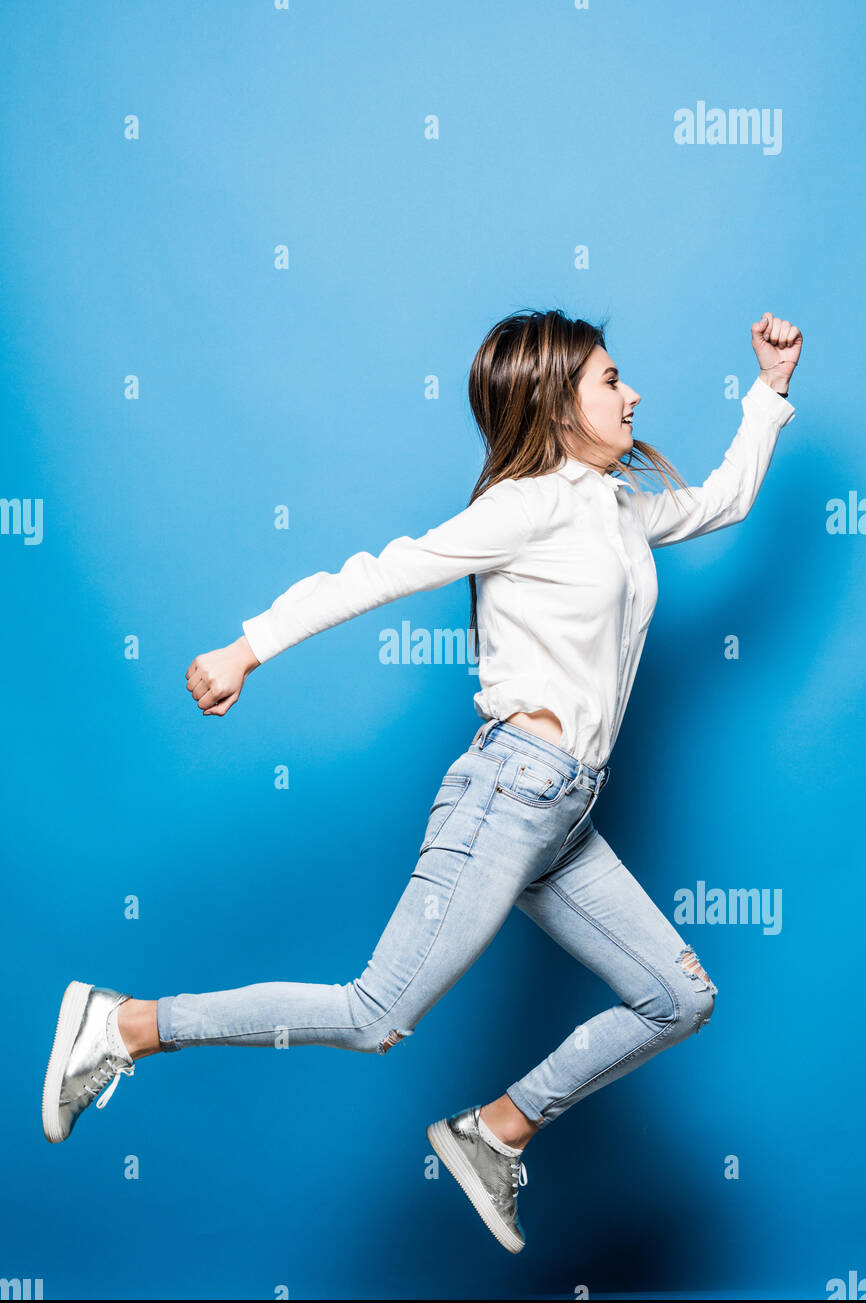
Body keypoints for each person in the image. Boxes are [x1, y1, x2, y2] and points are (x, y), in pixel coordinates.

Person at [42, 309, 801, 1255]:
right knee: (373, 1016)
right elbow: (382, 574)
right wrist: (248, 647)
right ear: (557, 401)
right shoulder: (525, 505)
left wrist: (768, 389)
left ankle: (495, 1133)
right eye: (611, 379)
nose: (632, 392)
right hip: (510, 793)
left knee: (679, 999)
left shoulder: (612, 504)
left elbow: (723, 501)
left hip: (564, 814)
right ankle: (124, 1024)